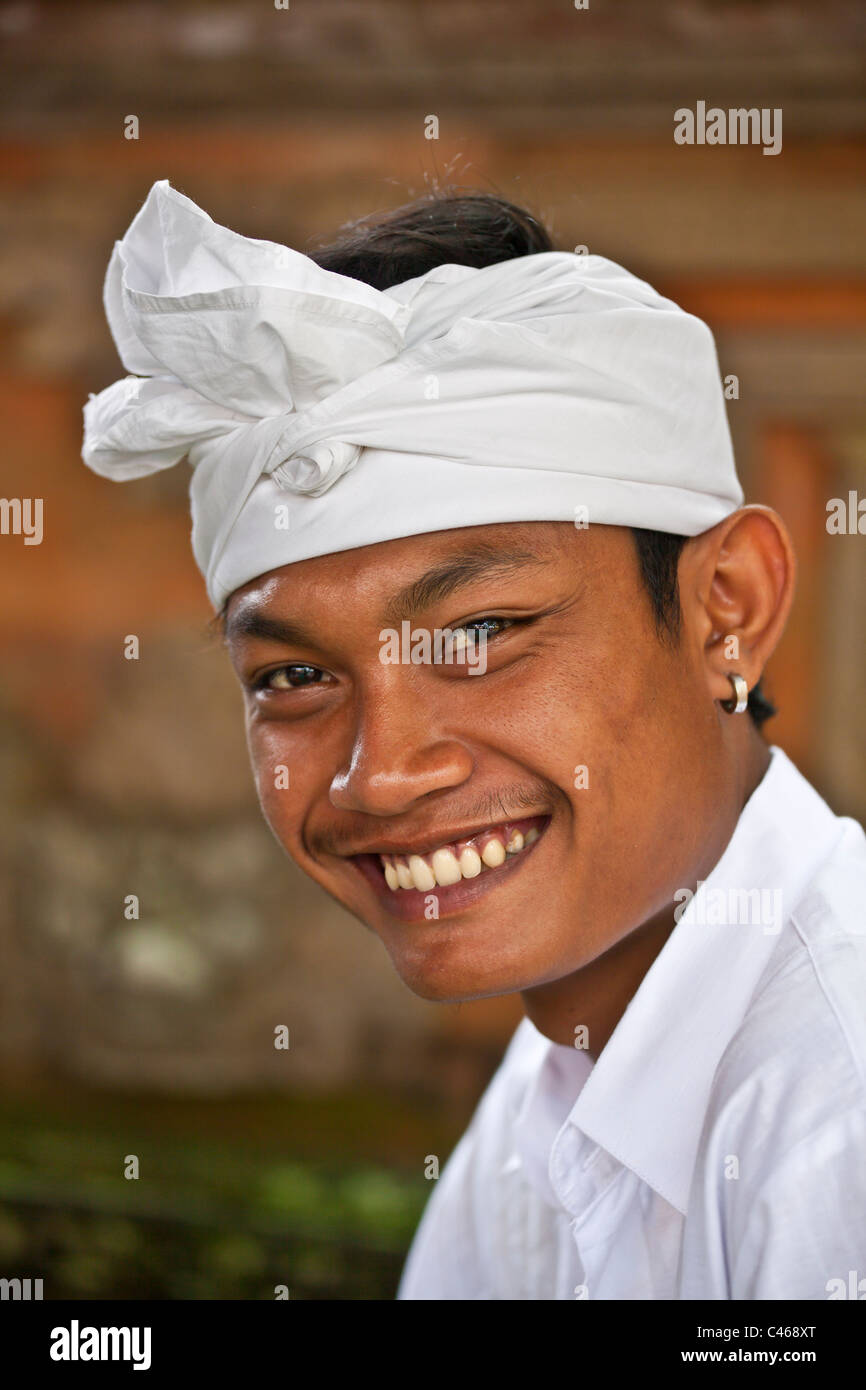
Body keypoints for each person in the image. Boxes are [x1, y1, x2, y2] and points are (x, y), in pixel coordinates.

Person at [82, 180, 866, 1300]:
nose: (382, 773)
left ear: (723, 608)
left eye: (480, 632)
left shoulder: (836, 1122)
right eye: (296, 676)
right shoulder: (561, 1083)